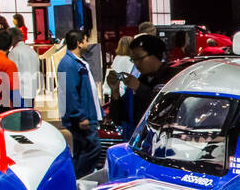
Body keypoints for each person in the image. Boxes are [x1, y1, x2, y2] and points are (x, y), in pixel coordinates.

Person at [110, 32, 177, 138]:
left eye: (140, 58)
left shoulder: (174, 77)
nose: (136, 63)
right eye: (133, 60)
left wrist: (139, 88)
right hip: (140, 143)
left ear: (155, 55)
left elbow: (166, 110)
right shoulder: (140, 79)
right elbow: (119, 117)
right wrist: (114, 91)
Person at [57, 30, 102, 178]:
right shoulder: (68, 64)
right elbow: (69, 92)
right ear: (79, 43)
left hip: (87, 114)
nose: (88, 43)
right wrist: (80, 116)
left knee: (82, 151)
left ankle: (77, 180)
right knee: (92, 149)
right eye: (86, 40)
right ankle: (78, 179)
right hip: (82, 117)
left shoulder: (76, 61)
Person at [7, 28, 40, 112]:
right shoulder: (32, 51)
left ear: (12, 38)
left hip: (19, 92)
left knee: (19, 118)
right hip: (31, 90)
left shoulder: (14, 52)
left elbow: (12, 73)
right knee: (28, 118)